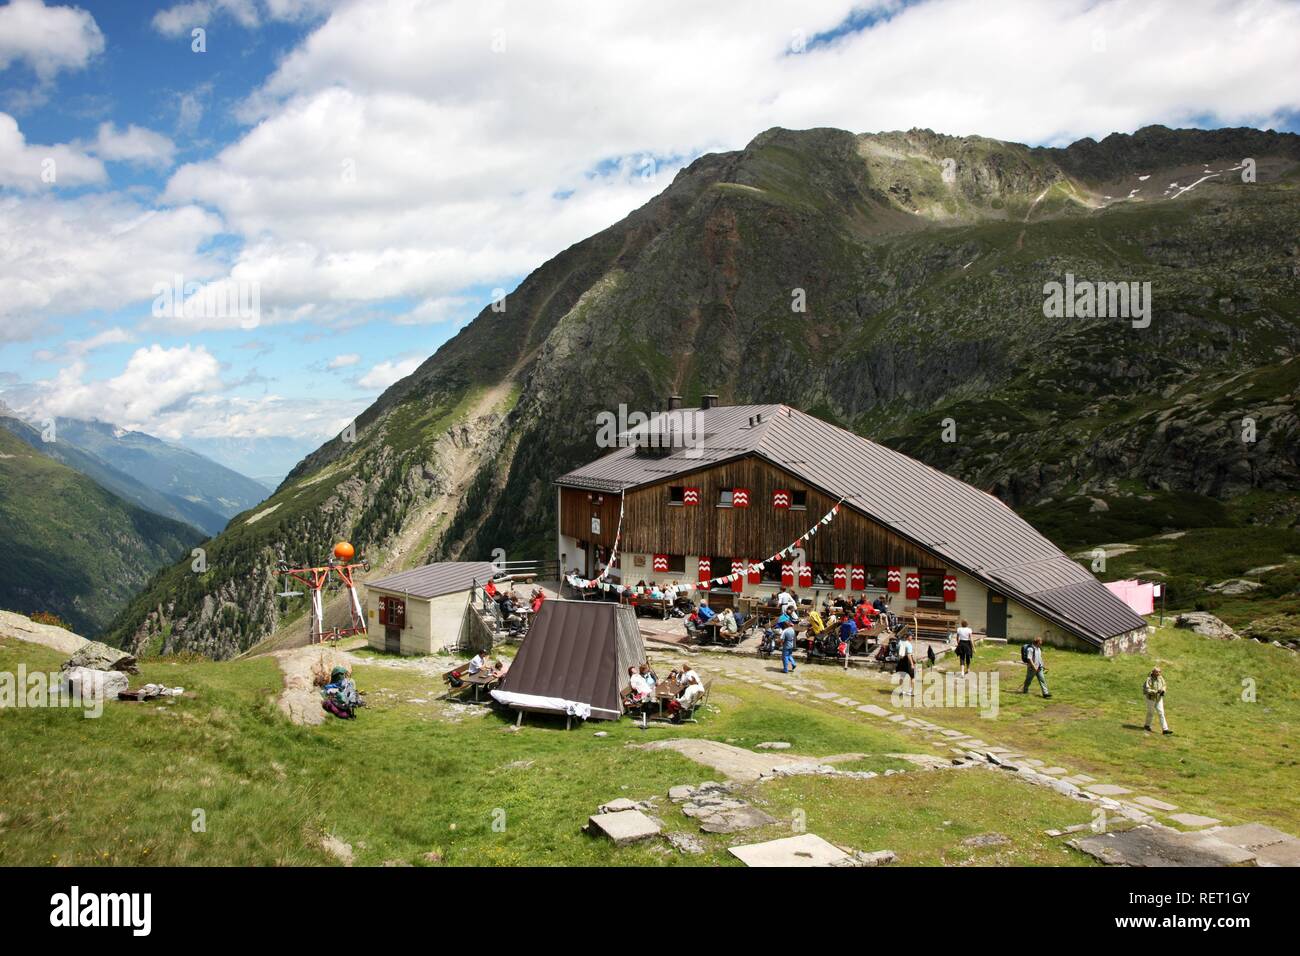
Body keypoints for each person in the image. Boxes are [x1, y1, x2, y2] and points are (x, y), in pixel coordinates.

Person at [1143, 667, 1172, 735]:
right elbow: (1147, 689)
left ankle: (1165, 730)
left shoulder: (1160, 678)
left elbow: (1164, 685)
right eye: (1157, 672)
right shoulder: (1149, 679)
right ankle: (1147, 725)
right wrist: (1156, 692)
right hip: (1150, 699)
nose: (1158, 673)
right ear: (1153, 672)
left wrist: (1163, 691)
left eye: (1159, 672)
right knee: (1151, 713)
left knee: (1161, 713)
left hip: (1159, 699)